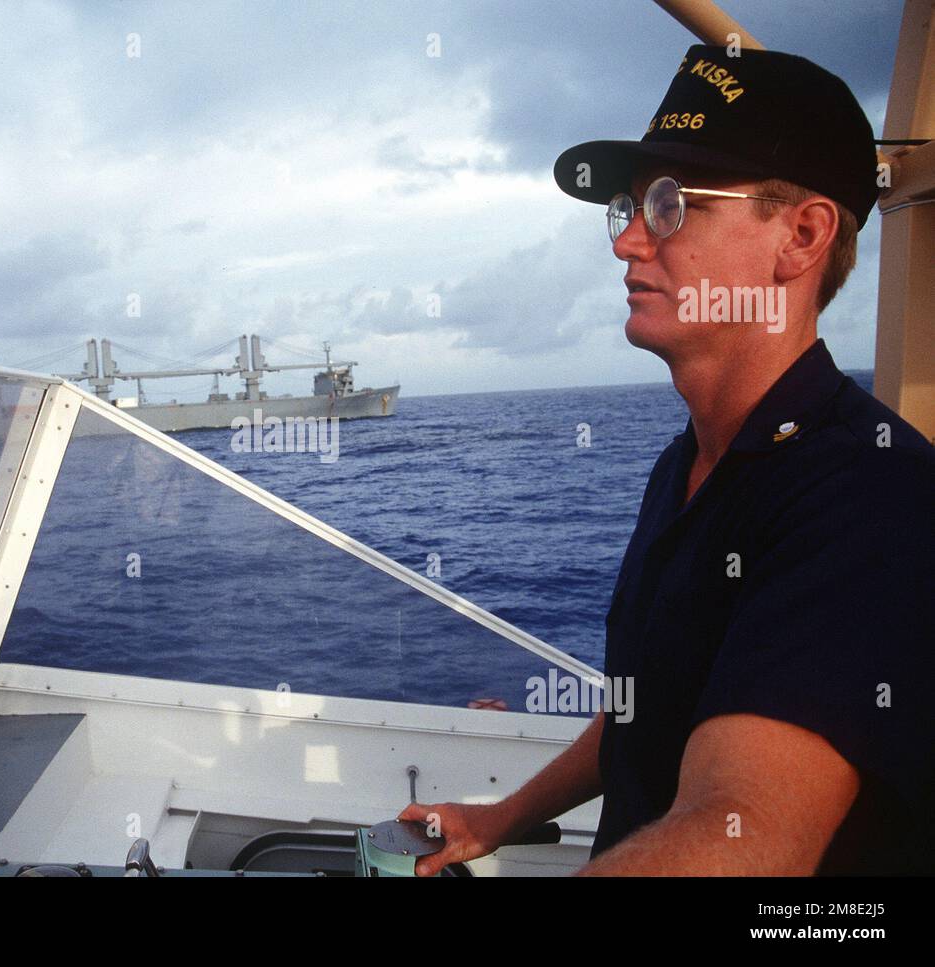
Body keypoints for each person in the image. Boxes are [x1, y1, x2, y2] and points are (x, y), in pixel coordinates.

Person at [400, 44, 935, 876]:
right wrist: (496, 818)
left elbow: (747, 830)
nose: (628, 243)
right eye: (630, 207)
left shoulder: (872, 494)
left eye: (673, 204)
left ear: (800, 236)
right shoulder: (683, 466)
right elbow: (645, 706)